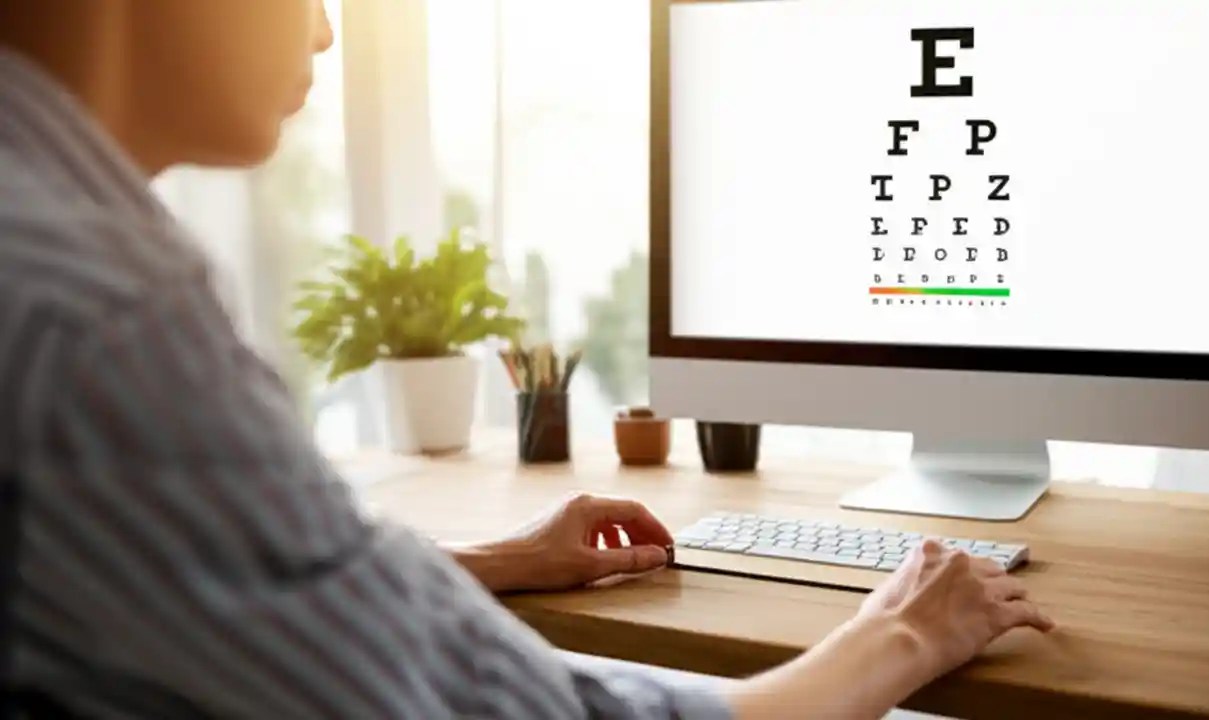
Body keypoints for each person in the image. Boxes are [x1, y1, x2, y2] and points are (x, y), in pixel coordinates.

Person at [0, 2, 1054, 718]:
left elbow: (188, 588)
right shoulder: (101, 313)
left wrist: (494, 562)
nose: (324, 28)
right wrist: (900, 642)